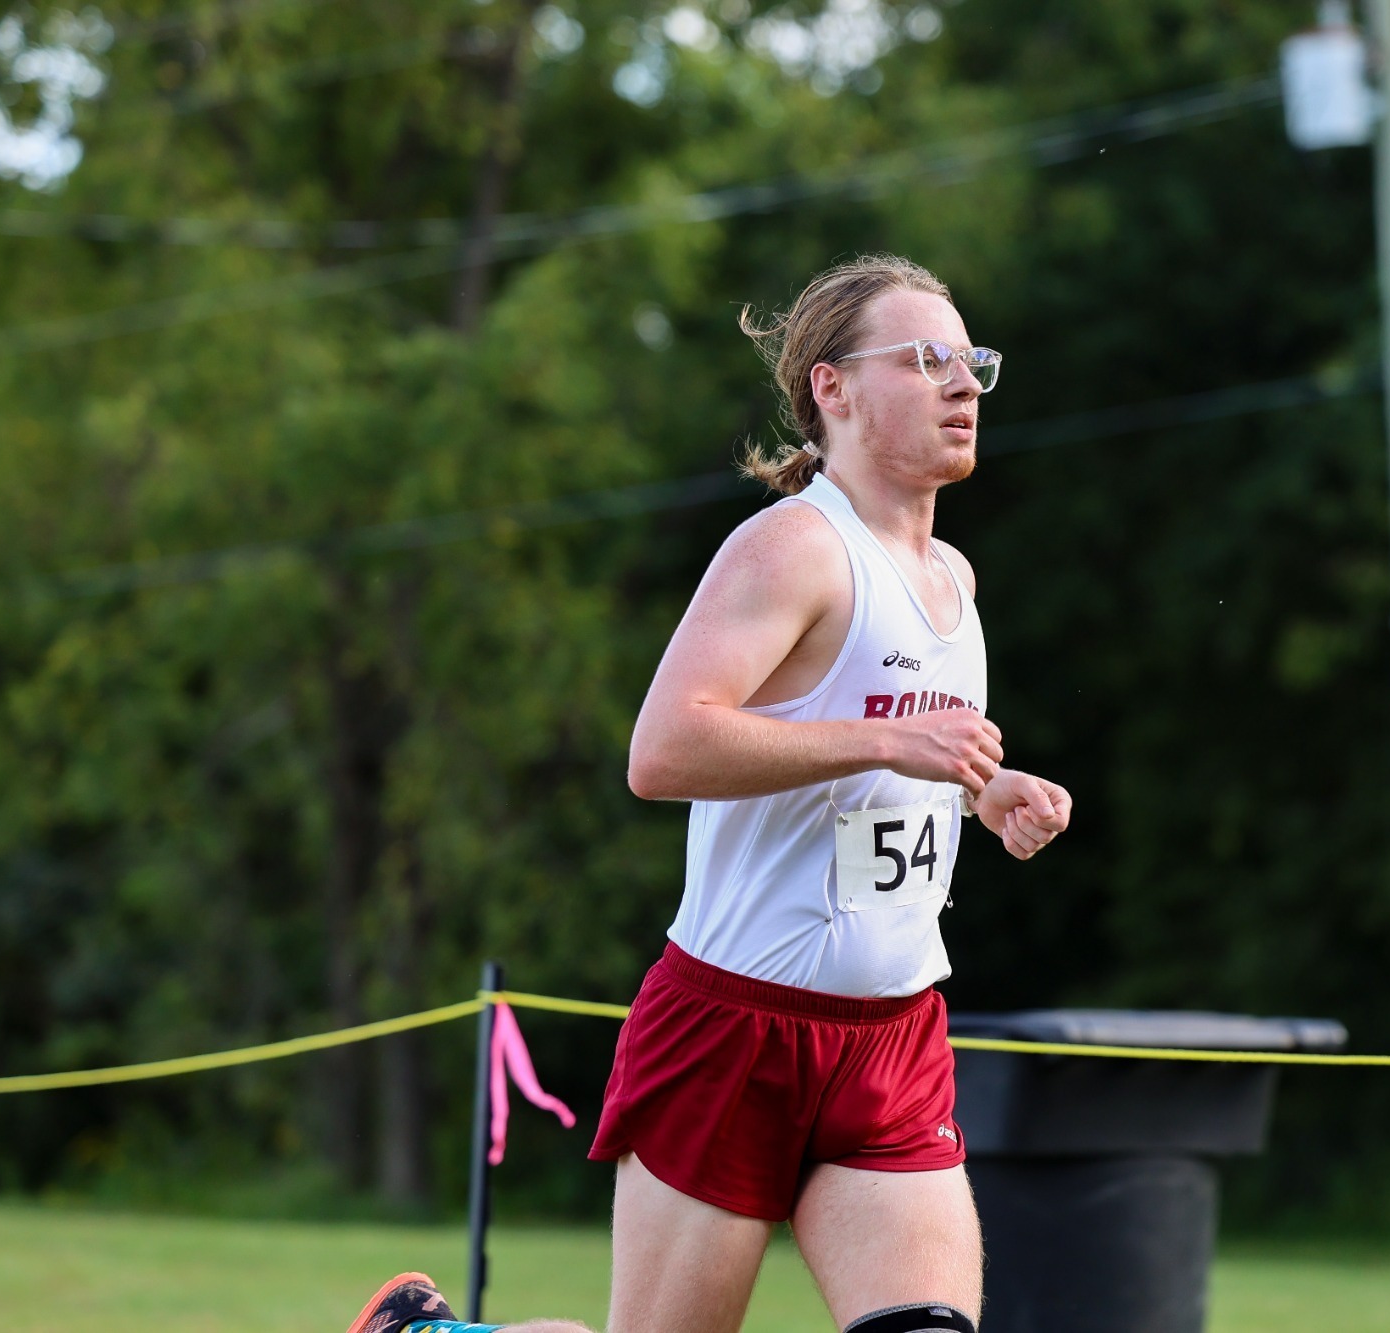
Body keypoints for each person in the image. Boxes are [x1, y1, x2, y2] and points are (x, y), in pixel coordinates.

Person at [346, 254, 1071, 1333]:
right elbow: (664, 750)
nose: (962, 384)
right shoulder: (791, 547)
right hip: (736, 1034)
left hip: (892, 1041)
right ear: (830, 389)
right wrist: (891, 740)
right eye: (926, 360)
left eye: (972, 362)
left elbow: (882, 764)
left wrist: (982, 785)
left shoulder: (950, 576)